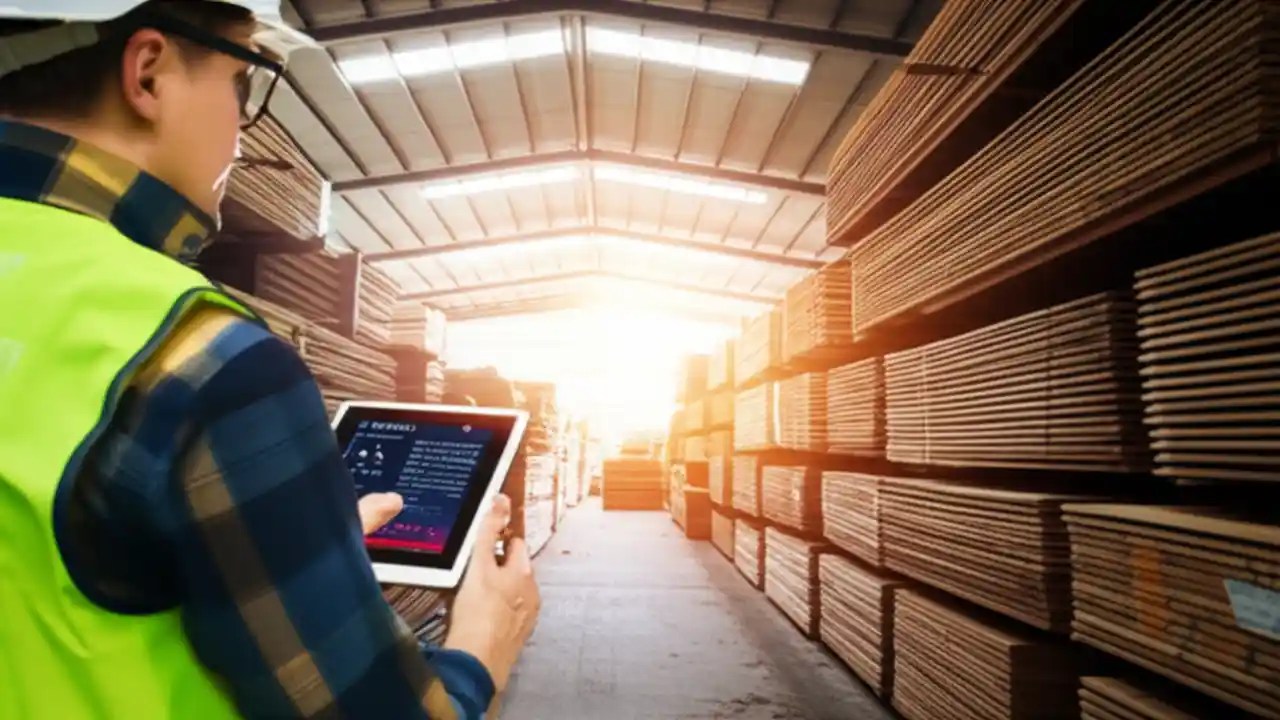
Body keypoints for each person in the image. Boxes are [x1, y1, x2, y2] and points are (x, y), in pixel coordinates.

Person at [0, 2, 540, 718]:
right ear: (150, 73)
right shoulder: (201, 360)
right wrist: (481, 645)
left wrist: (285, 532)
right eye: (241, 83)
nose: (240, 132)